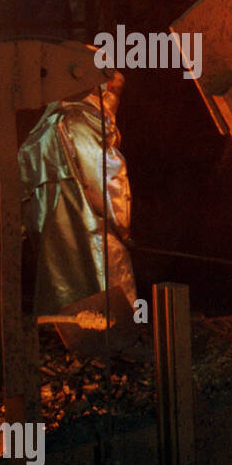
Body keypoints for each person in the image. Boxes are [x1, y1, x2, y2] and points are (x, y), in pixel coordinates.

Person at [18, 70, 137, 351]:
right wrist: (122, 225)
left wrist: (30, 231)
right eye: (115, 92)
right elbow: (108, 178)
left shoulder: (42, 129)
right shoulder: (87, 123)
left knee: (60, 292)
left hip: (50, 233)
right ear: (103, 89)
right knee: (106, 292)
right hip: (92, 230)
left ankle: (64, 345)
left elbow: (23, 192)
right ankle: (113, 349)